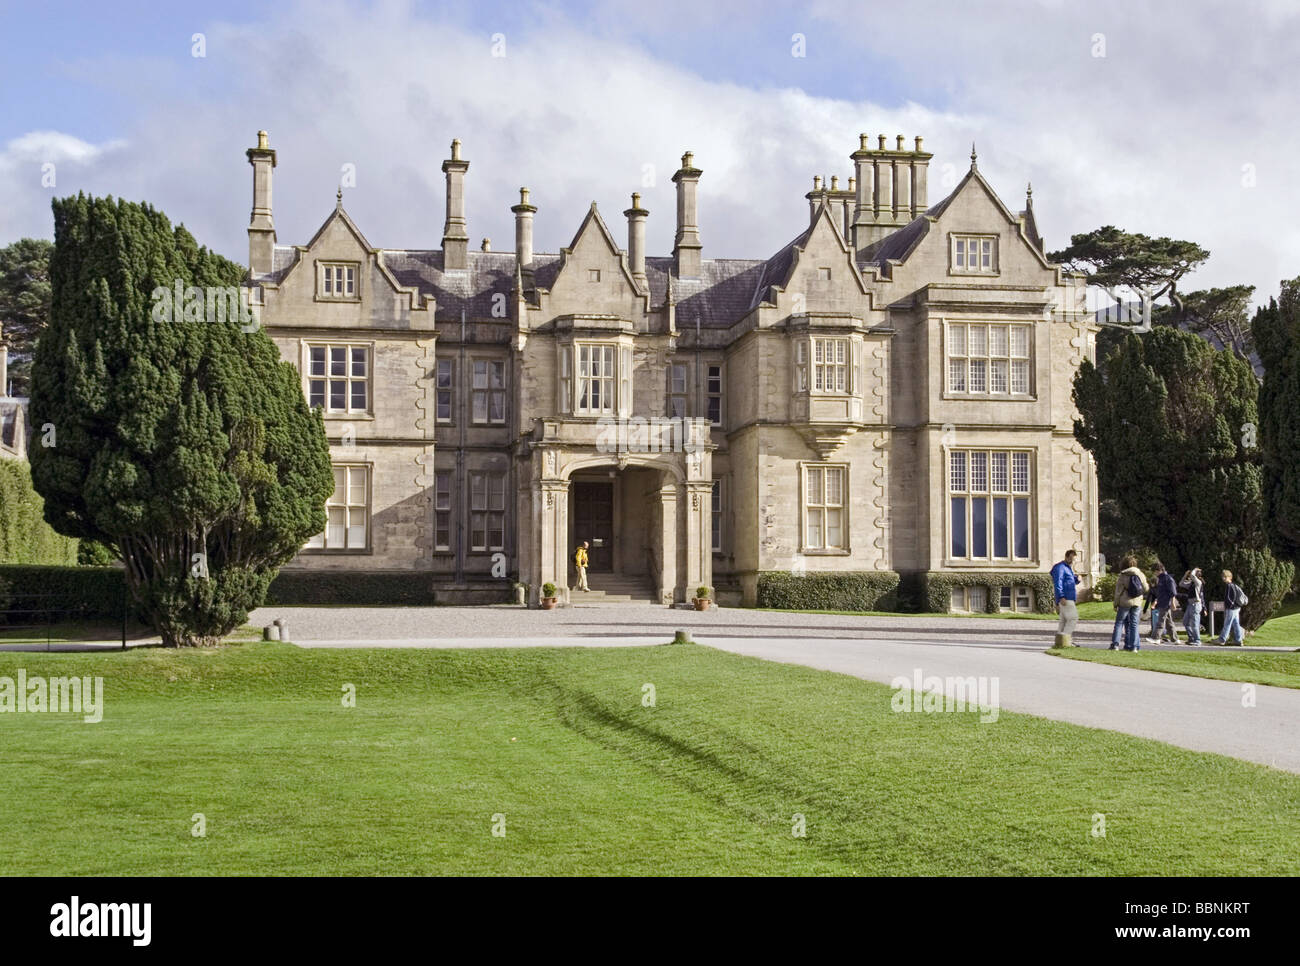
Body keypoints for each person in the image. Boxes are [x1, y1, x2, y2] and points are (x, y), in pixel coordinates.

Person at [1112, 555, 1148, 651]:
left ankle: (1115, 645)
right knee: (1134, 624)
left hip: (1124, 602)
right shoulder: (1140, 574)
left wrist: (1115, 604)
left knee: (1119, 623)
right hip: (1137, 602)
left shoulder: (1123, 575)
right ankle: (1134, 647)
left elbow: (1118, 592)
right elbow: (1146, 588)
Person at [1146, 563, 1180, 645]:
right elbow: (1161, 592)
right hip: (1162, 602)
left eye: (1155, 571)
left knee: (1160, 621)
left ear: (1160, 570)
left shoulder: (1167, 579)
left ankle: (1156, 638)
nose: (1154, 573)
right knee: (1169, 622)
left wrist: (1172, 603)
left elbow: (1172, 592)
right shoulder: (1160, 579)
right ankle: (1175, 639)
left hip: (1166, 603)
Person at [1050, 550, 1080, 644]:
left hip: (1069, 597)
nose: (1072, 561)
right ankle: (1066, 640)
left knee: (1063, 621)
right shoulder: (1060, 567)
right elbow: (1058, 583)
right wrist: (1061, 596)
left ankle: (1060, 641)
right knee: (1073, 618)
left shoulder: (1068, 568)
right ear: (1066, 557)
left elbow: (1069, 582)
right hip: (1066, 597)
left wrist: (1077, 579)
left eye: (1074, 560)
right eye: (1071, 559)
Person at [1215, 569, 1248, 645]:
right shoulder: (1232, 586)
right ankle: (1238, 640)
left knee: (1227, 623)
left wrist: (1229, 606)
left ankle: (1222, 639)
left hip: (1232, 608)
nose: (1223, 578)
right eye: (1223, 577)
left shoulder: (1229, 586)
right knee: (1236, 624)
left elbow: (1230, 598)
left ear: (1230, 577)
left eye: (1225, 577)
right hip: (1236, 608)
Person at [1179, 568, 1205, 645]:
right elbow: (1181, 584)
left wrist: (1194, 570)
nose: (1190, 576)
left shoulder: (1198, 583)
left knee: (1195, 624)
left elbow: (1193, 576)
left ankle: (1197, 640)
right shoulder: (1191, 584)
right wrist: (1185, 575)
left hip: (1196, 604)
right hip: (1190, 604)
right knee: (1185, 622)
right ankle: (1191, 638)